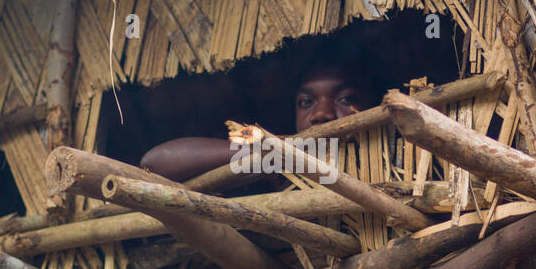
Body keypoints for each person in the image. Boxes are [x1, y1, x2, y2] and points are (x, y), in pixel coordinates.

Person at [139, 57, 374, 181]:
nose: (322, 114)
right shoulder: (280, 172)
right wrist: (275, 148)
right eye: (306, 102)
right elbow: (154, 162)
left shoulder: (401, 164)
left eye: (345, 98)